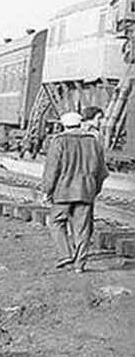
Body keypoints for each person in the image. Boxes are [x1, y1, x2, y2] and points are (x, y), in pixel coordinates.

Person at [41, 111, 109, 273]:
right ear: (80, 124)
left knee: (56, 222)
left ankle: (65, 255)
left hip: (62, 192)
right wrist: (94, 190)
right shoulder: (93, 141)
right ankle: (80, 265)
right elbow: (102, 172)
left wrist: (47, 191)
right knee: (83, 229)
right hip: (86, 191)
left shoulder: (59, 141)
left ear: (64, 125)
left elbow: (52, 170)